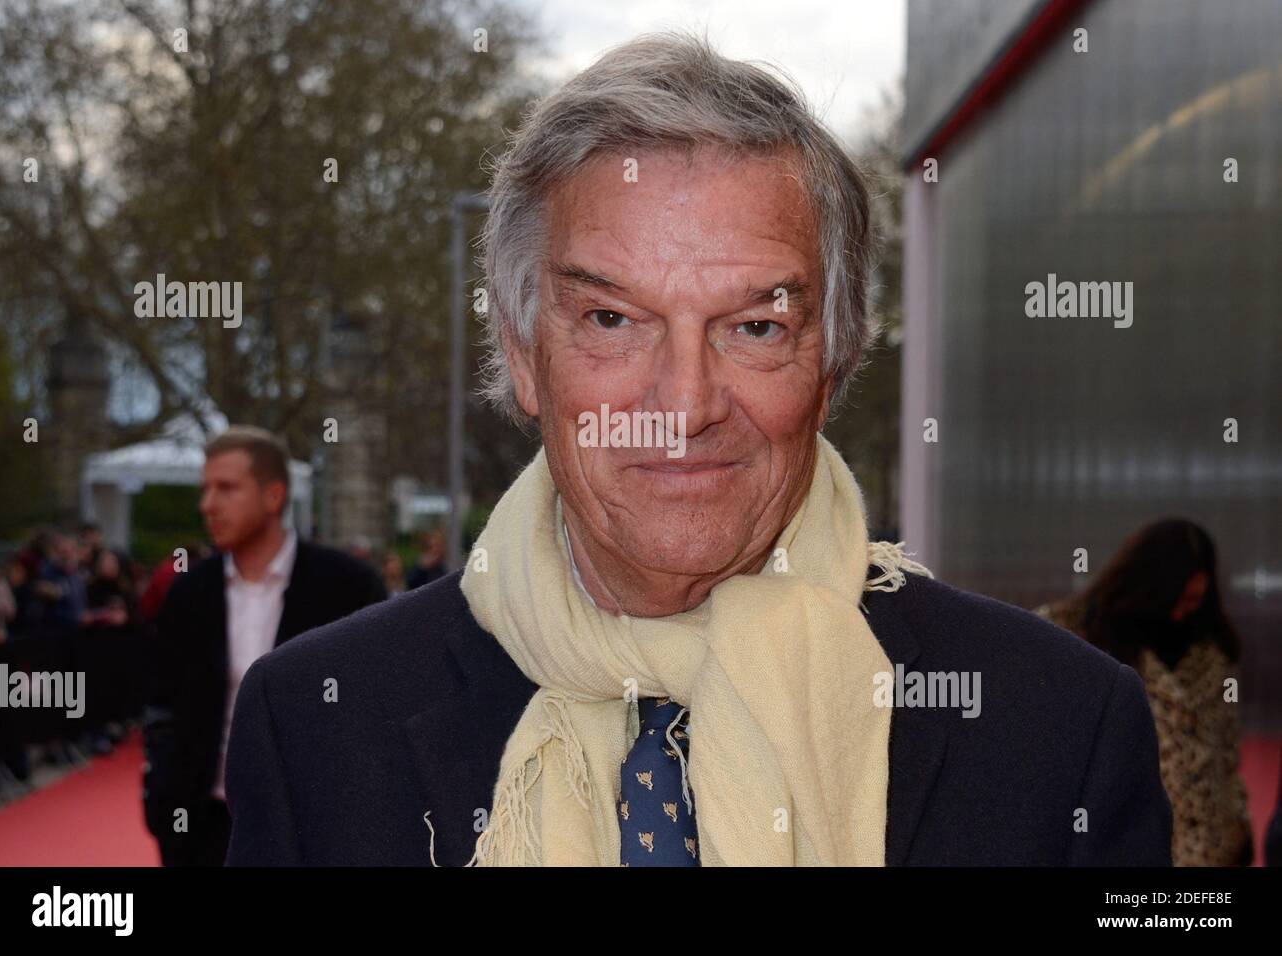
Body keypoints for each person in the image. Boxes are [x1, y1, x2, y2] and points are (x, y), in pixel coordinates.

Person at [225, 33, 1171, 867]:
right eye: (611, 317)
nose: (684, 405)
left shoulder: (1059, 730)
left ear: (833, 363)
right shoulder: (316, 728)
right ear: (521, 357)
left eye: (757, 327)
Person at [144, 426, 386, 866]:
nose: (207, 505)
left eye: (226, 489)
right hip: (204, 829)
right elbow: (163, 705)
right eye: (205, 489)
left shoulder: (346, 586)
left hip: (312, 830)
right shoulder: (189, 593)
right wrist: (163, 802)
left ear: (274, 496)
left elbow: (378, 707)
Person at [1038, 518, 1252, 866]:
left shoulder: (1211, 653)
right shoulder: (1072, 640)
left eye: (1198, 598)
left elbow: (1226, 755)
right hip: (1118, 849)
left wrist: (1238, 826)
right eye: (1181, 598)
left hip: (1212, 852)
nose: (1187, 610)